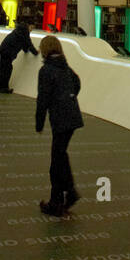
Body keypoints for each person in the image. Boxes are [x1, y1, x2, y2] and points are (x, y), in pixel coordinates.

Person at [35, 34, 83, 216]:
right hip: (72, 116)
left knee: (56, 160)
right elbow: (77, 82)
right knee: (60, 156)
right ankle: (67, 193)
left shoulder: (46, 70)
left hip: (60, 118)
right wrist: (70, 97)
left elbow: (43, 99)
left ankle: (59, 200)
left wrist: (39, 122)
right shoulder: (64, 65)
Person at [0, 20, 38, 93]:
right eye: (31, 28)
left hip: (4, 50)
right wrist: (36, 52)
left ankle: (0, 87)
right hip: (8, 52)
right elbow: (28, 43)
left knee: (4, 70)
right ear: (29, 26)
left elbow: (24, 43)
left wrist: (26, 50)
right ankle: (4, 88)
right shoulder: (25, 32)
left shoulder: (19, 30)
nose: (31, 30)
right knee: (7, 70)